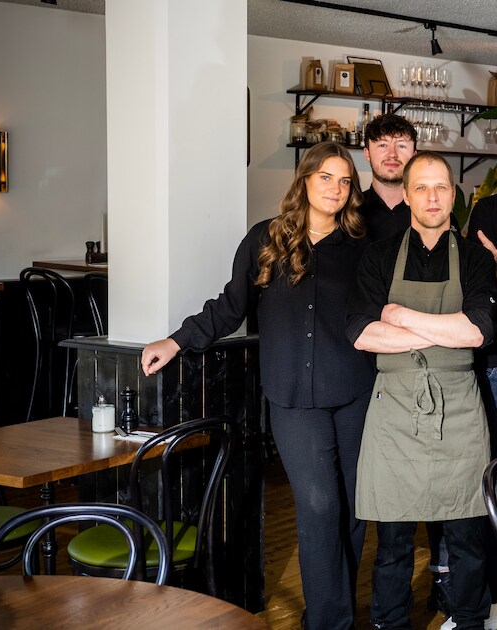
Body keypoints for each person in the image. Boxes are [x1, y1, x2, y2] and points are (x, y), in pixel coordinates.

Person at [140, 142, 372, 630]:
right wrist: (176, 341)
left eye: (345, 180)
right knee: (318, 507)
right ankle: (331, 624)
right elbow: (230, 305)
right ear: (305, 180)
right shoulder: (265, 239)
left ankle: (331, 610)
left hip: (355, 392)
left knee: (353, 509)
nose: (335, 188)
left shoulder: (361, 245)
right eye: (326, 177)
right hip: (292, 397)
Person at [346, 151, 497, 630]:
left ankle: (470, 620)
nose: (433, 197)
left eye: (442, 188)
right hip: (394, 410)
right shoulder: (380, 254)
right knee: (391, 541)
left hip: (458, 407)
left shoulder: (473, 255)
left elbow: (478, 331)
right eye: (422, 188)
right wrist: (442, 330)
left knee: (468, 532)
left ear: (453, 195)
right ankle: (391, 624)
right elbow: (360, 333)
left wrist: (401, 316)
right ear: (407, 195)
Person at [358, 113, 418, 242]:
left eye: (401, 146)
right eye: (382, 145)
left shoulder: (430, 212)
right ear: (367, 154)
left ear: (414, 156)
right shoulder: (349, 212)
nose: (392, 154)